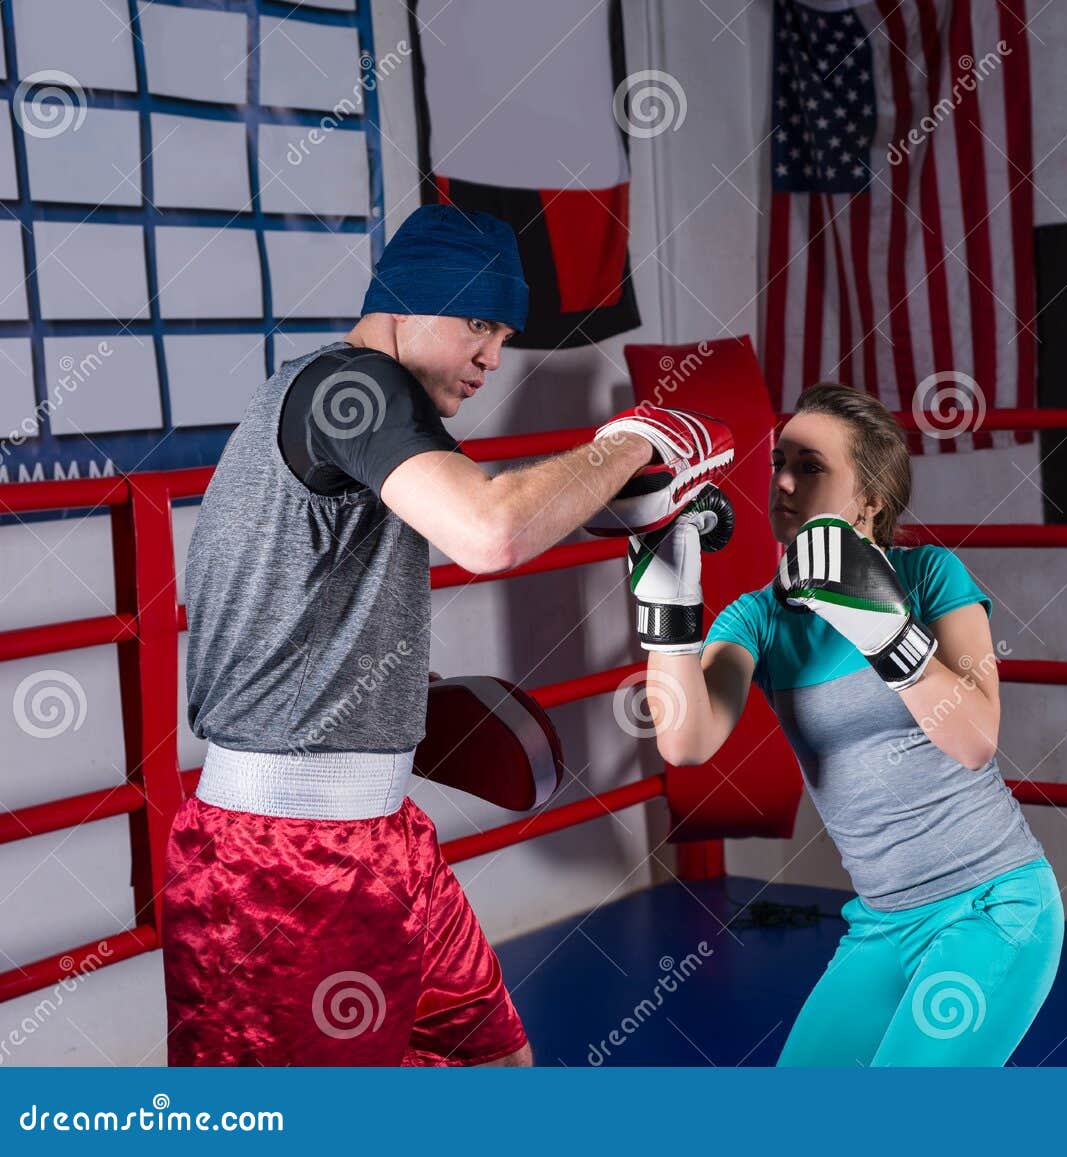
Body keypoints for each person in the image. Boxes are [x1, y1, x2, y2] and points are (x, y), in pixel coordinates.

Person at [165, 203, 731, 1066]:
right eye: (476, 323)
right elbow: (491, 532)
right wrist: (634, 441)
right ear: (404, 301)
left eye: (503, 334)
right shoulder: (350, 386)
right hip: (279, 865)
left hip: (384, 840)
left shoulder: (347, 410)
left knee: (491, 1065)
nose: (492, 359)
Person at [627, 382, 1063, 1066]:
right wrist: (669, 611)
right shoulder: (758, 617)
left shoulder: (929, 576)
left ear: (870, 501)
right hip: (883, 924)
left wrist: (891, 636)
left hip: (992, 905)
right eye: (780, 462)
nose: (782, 480)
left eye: (810, 465)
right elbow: (687, 740)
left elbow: (976, 737)